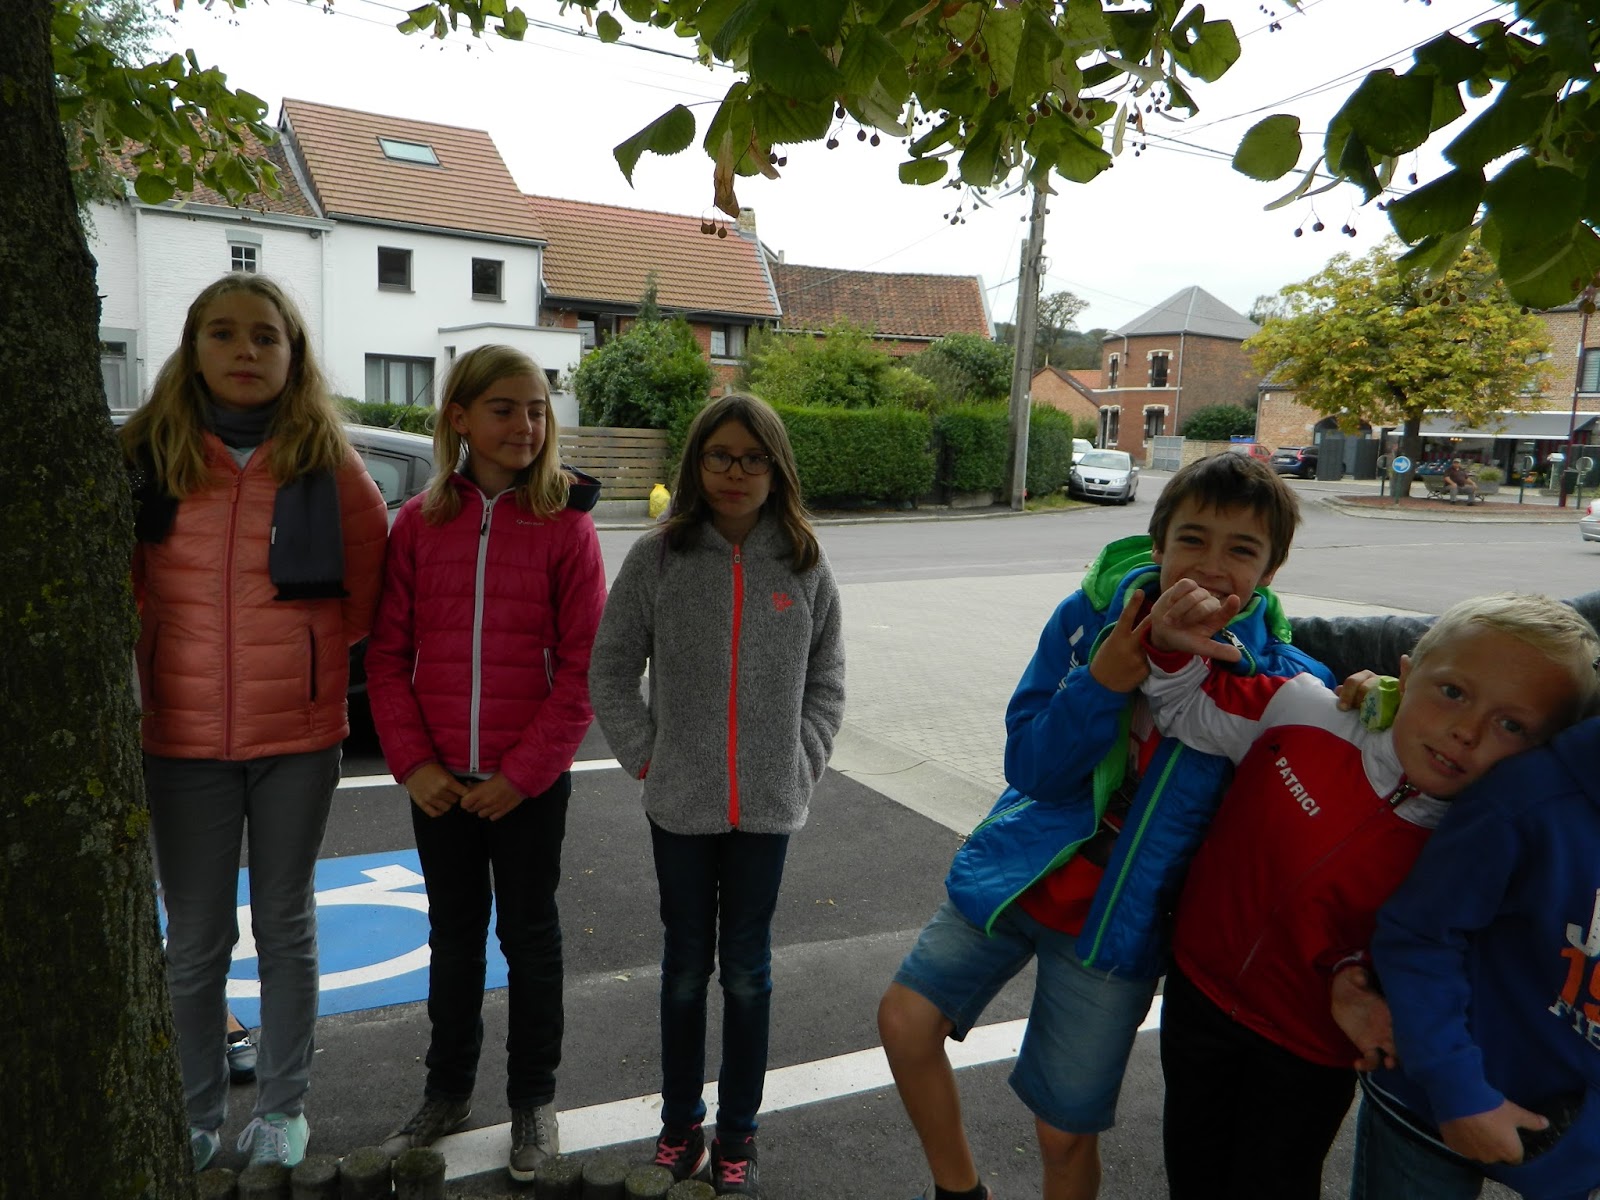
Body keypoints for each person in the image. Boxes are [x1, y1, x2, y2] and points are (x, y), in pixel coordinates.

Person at [876, 451, 1333, 1200]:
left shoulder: (1278, 684)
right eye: (1193, 539)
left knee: (1062, 1132)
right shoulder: (1088, 618)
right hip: (1020, 869)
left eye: (1242, 550)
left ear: (1270, 573)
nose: (1212, 567)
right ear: (1159, 546)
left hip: (1120, 922)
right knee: (903, 1019)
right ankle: (959, 1190)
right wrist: (1102, 682)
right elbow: (1030, 764)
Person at [1132, 589, 1599, 1200]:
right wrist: (1168, 643)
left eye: (1511, 725)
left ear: (1544, 750)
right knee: (1192, 1167)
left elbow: (1441, 948)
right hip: (1197, 993)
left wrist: (1356, 972)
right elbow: (1186, 708)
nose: (1465, 731)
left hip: (1314, 1047)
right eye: (1453, 693)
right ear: (1405, 675)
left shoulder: (1482, 832)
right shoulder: (1307, 710)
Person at [122, 273, 389, 1170]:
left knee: (285, 924)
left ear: (293, 353)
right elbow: (121, 590)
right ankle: (196, 1114)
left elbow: (363, 592)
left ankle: (283, 1109)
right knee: (194, 940)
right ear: (192, 347)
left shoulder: (329, 462)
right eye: (225, 335)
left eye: (265, 337)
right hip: (181, 738)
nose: (246, 352)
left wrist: (301, 667)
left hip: (297, 740)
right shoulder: (148, 455)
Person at [588, 393, 846, 1199]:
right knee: (682, 971)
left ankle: (739, 1135)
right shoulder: (659, 556)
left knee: (747, 974)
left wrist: (799, 762)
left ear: (777, 470)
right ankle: (679, 1126)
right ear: (696, 465)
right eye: (719, 456)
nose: (735, 473)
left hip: (769, 808)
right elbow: (610, 668)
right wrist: (647, 759)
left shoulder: (803, 560)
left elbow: (828, 682)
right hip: (681, 808)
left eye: (753, 459)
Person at [364, 345, 607, 1182]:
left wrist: (526, 773)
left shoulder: (569, 527)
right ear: (459, 419)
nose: (526, 425)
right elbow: (387, 657)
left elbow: (585, 670)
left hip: (525, 786)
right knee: (455, 939)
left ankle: (534, 1101)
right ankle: (446, 1091)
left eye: (537, 409)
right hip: (439, 785)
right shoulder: (418, 524)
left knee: (531, 938)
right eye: (504, 408)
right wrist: (414, 765)